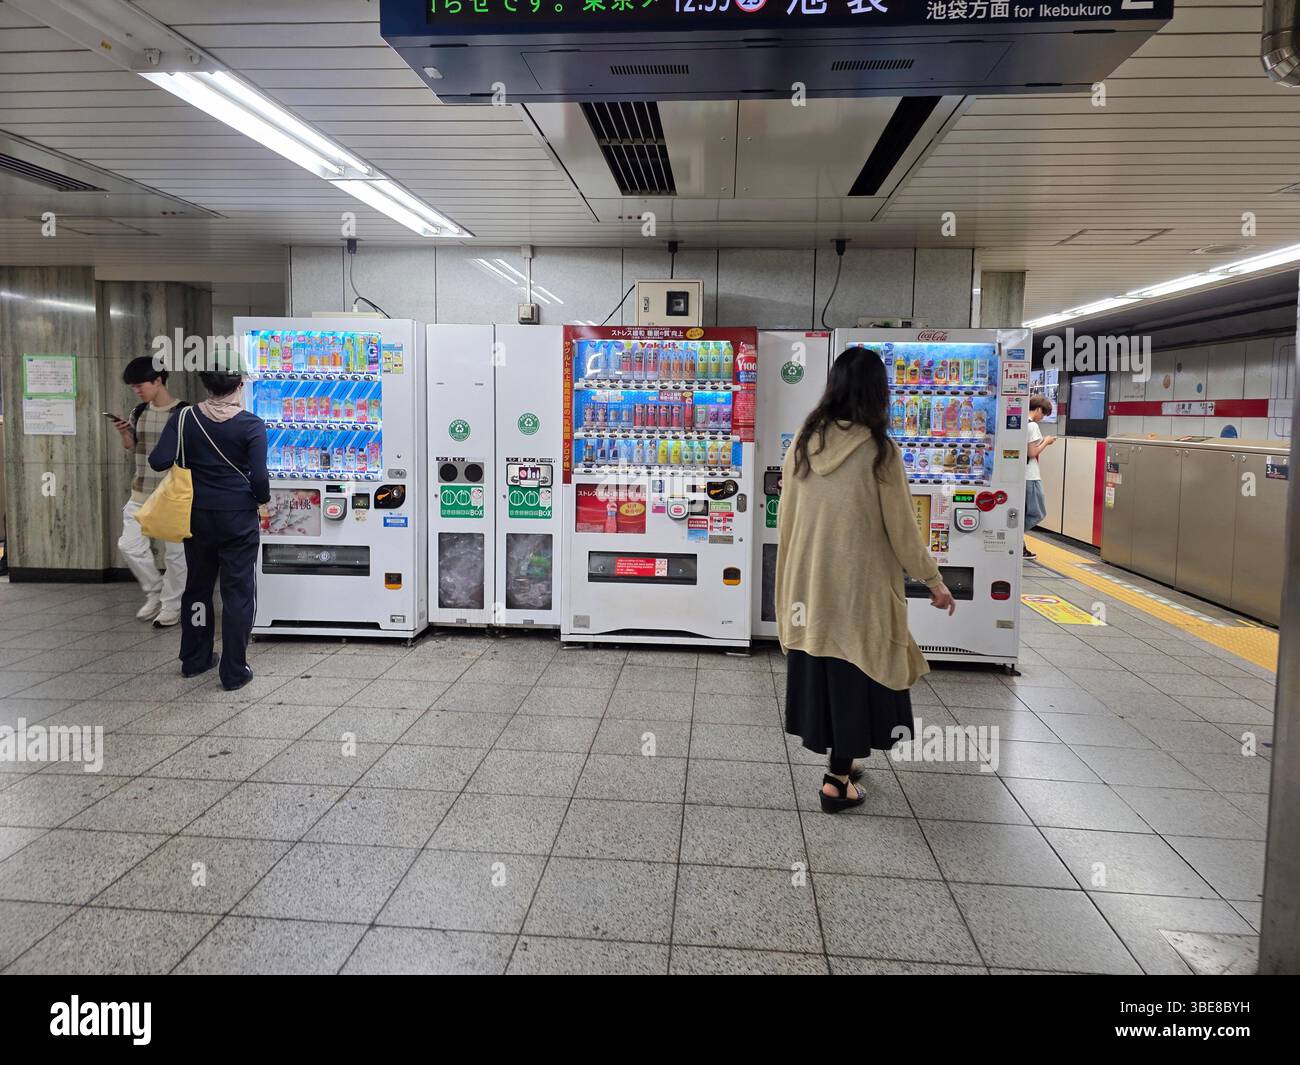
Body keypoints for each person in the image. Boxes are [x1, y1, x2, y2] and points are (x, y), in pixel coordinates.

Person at [776, 347, 955, 813]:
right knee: (858, 671)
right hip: (859, 587)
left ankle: (845, 761)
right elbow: (902, 528)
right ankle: (836, 782)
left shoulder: (803, 440)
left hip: (808, 582)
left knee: (826, 669)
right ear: (878, 392)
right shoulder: (879, 450)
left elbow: (788, 516)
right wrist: (934, 580)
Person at [150, 364, 269, 692]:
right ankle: (234, 670)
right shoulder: (251, 425)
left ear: (206, 384)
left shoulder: (184, 418)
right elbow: (259, 477)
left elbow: (158, 460)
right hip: (238, 519)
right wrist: (261, 499)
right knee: (238, 593)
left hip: (197, 516)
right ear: (240, 384)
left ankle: (195, 659)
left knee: (198, 587)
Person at [110, 357, 188, 627]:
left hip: (172, 495)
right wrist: (124, 433)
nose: (137, 391)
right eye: (133, 387)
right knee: (128, 544)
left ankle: (171, 606)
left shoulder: (183, 412)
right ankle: (154, 590)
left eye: (140, 385)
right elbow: (133, 446)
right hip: (140, 491)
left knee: (176, 555)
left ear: (158, 380)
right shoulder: (139, 411)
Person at [1023, 394, 1056, 560]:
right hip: (1030, 476)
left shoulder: (1020, 422)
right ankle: (1012, 537)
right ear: (1037, 409)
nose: (1042, 417)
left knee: (1022, 512)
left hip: (1022, 476)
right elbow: (1033, 452)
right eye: (1043, 414)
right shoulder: (1032, 425)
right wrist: (1047, 441)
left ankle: (1018, 545)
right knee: (1038, 513)